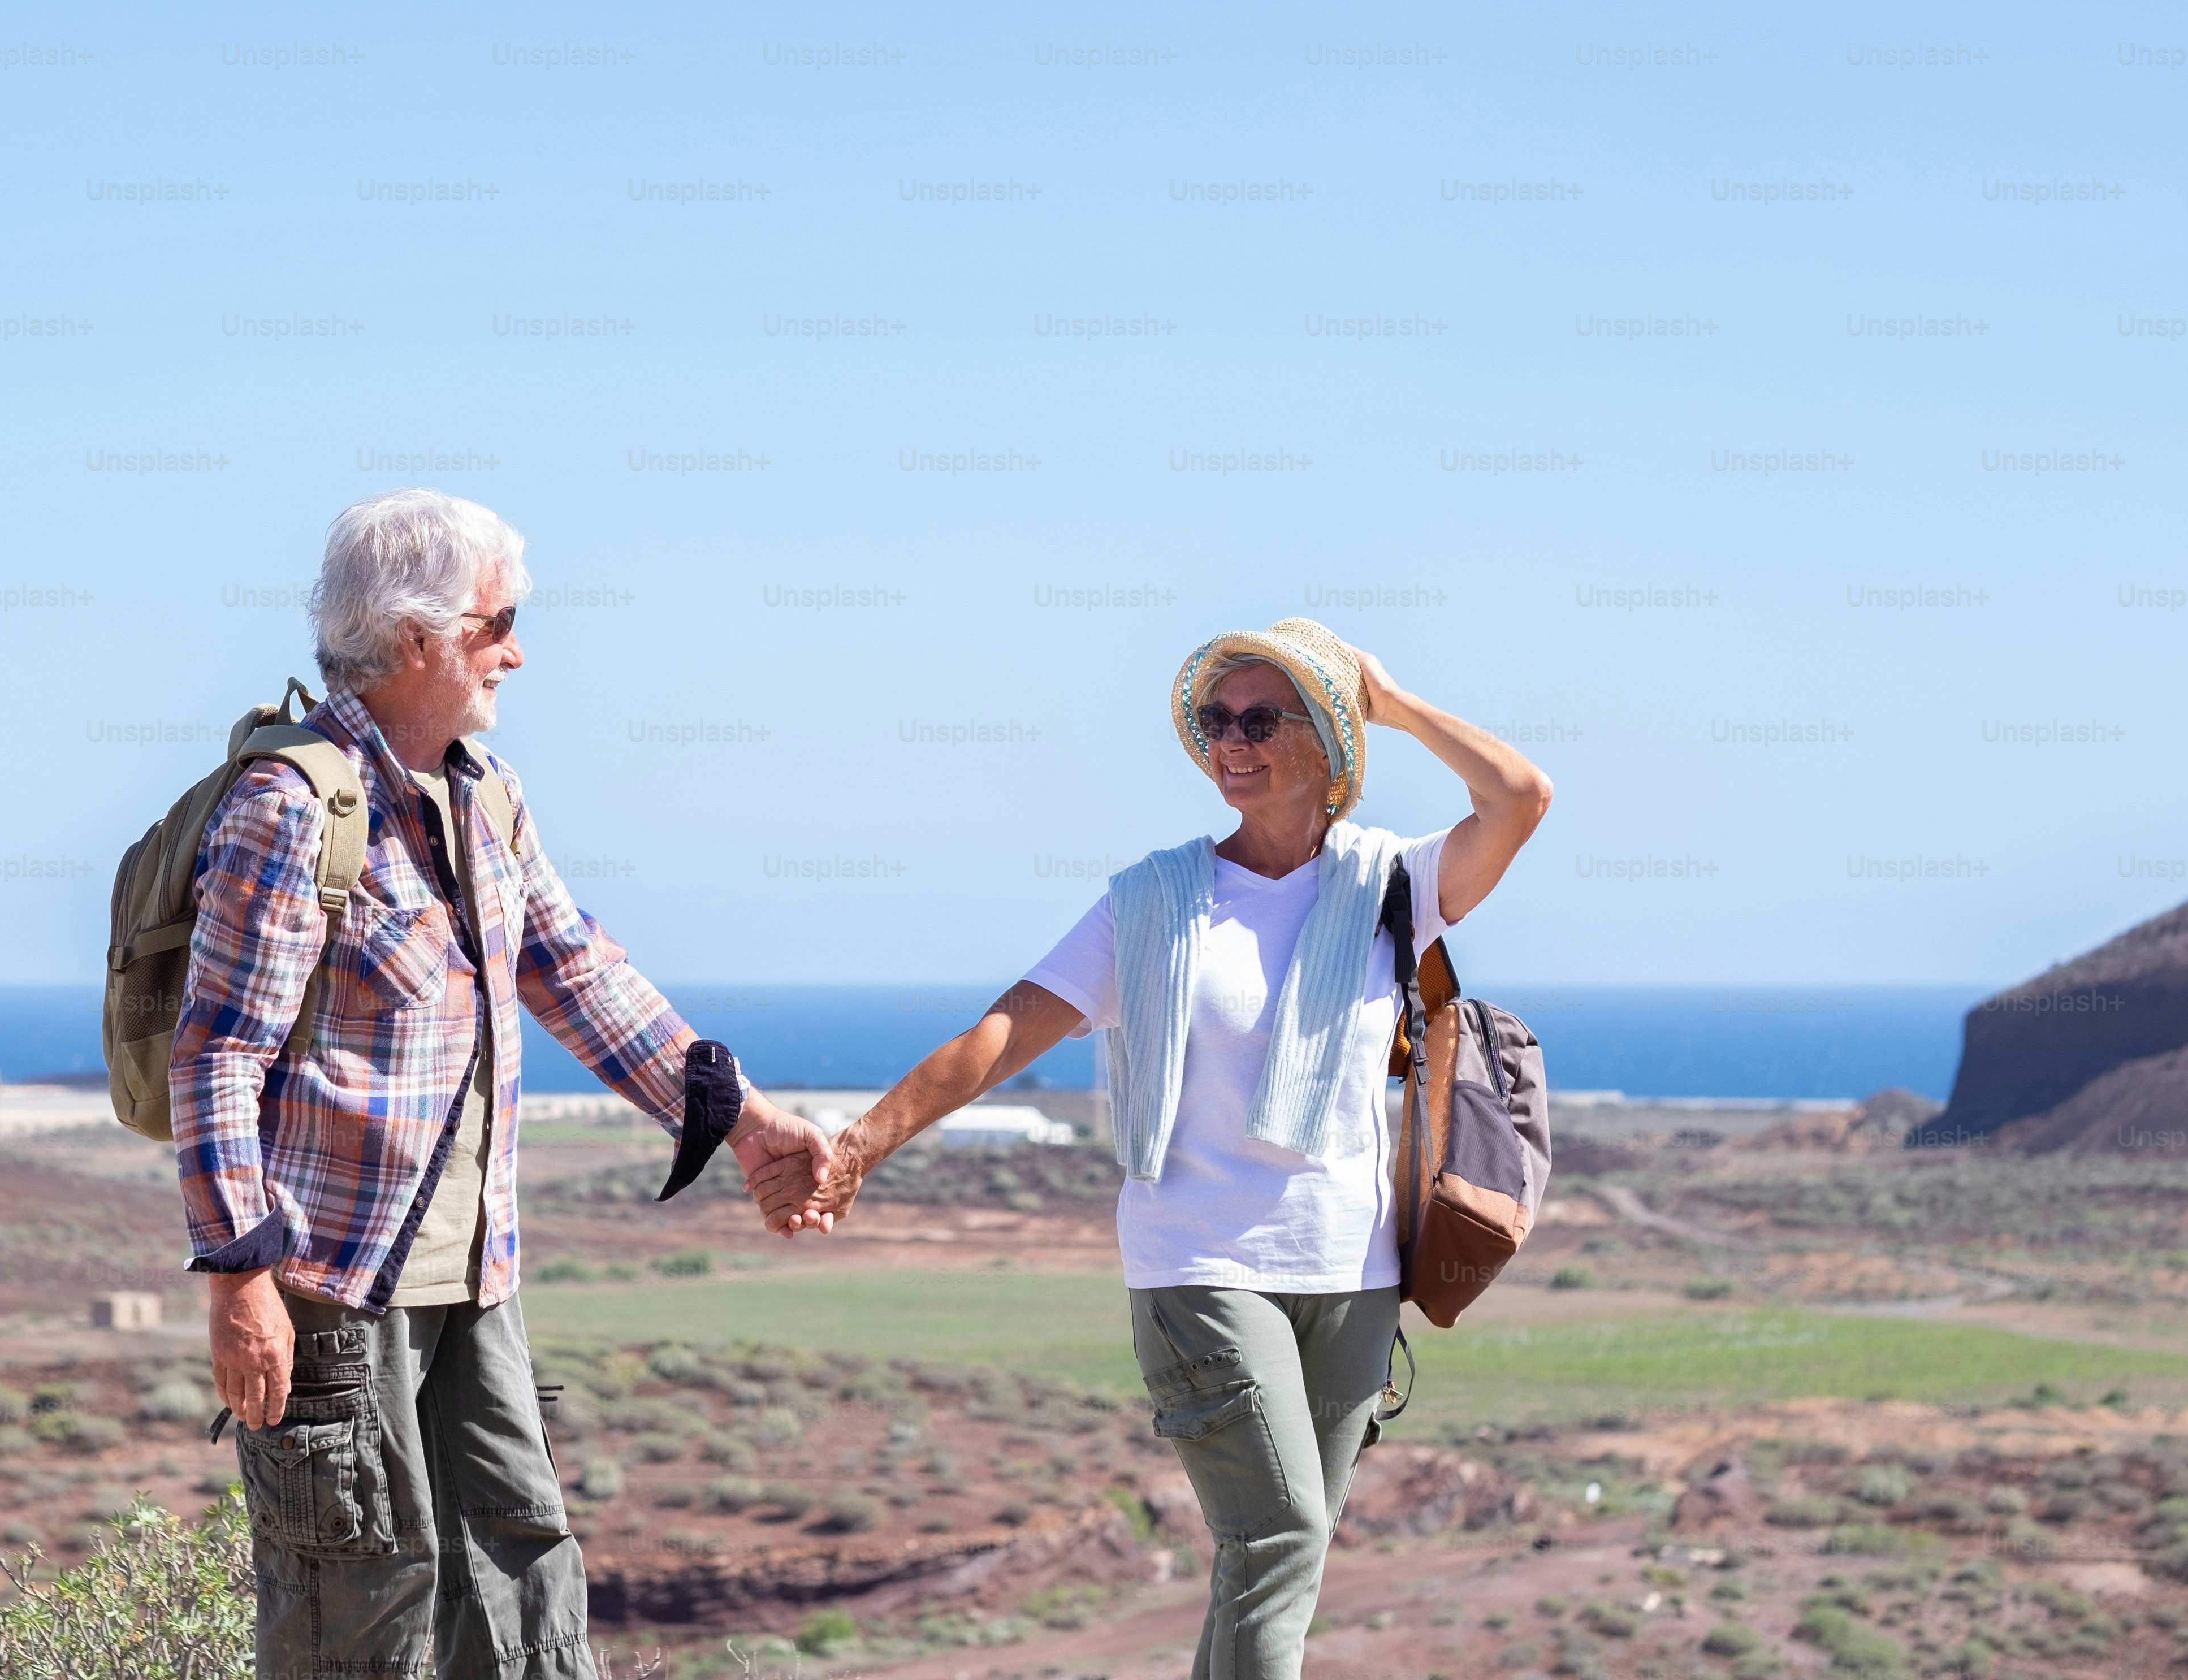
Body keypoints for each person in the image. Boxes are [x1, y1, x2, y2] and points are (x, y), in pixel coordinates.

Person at [754, 618, 1551, 1679]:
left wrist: (1393, 704)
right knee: (1279, 1540)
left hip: (1356, 1277)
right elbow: (1005, 1034)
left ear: (1326, 740)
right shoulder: (1154, 903)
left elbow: (1520, 797)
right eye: (1216, 722)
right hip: (1201, 1266)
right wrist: (858, 1147)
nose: (1231, 742)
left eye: (1262, 719)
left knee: (1268, 1562)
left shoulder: (1393, 884)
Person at [172, 488, 830, 1680]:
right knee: (356, 1621)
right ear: (417, 638)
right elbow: (217, 1056)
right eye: (497, 622)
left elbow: (572, 970)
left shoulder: (487, 793)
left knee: (522, 1592)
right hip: (333, 1296)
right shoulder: (288, 810)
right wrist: (239, 1279)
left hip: (478, 1280)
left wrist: (737, 1117)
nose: (516, 651)